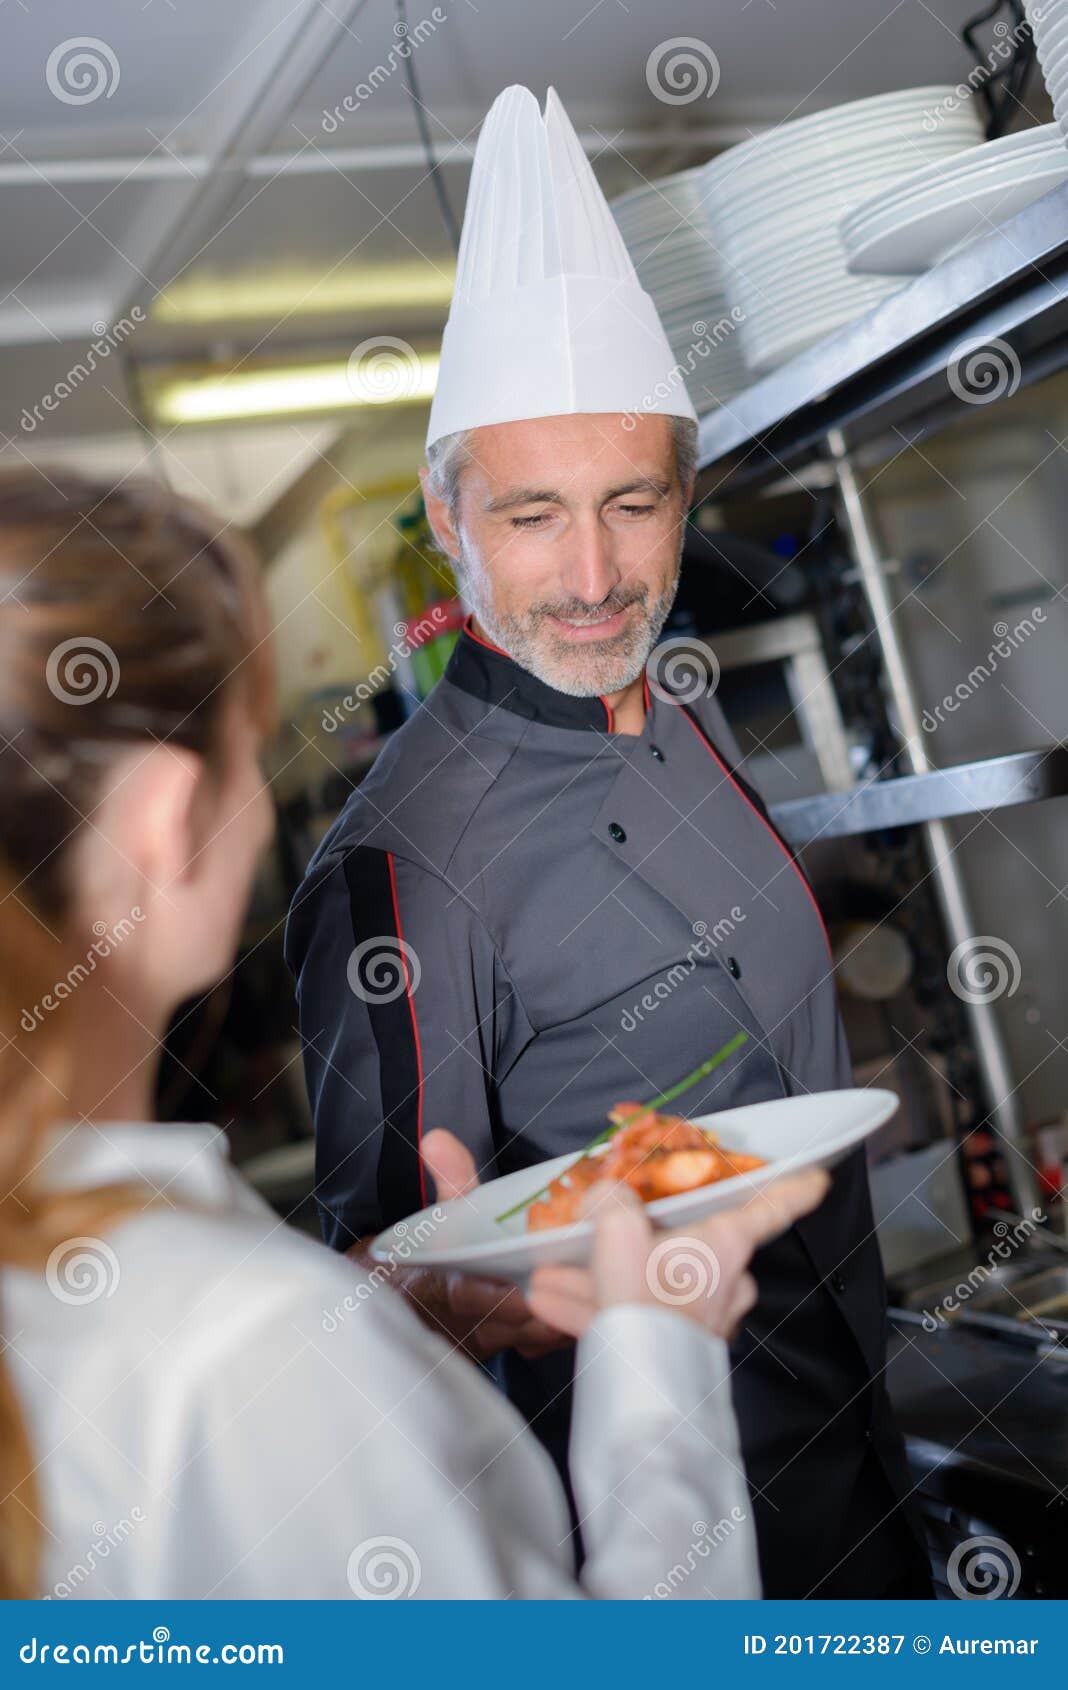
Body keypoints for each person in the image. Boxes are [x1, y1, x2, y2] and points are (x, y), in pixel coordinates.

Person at [287, 85, 932, 1598]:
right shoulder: (401, 859)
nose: (592, 577)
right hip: (664, 1536)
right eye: (531, 518)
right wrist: (424, 1285)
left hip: (861, 1459)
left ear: (684, 496)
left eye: (633, 503)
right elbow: (378, 1295)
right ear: (449, 524)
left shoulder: (678, 705)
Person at [0, 467, 827, 1601]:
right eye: (252, 748)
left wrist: (380, 1318)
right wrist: (659, 1342)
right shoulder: (238, 1344)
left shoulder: (199, 1310)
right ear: (164, 822)